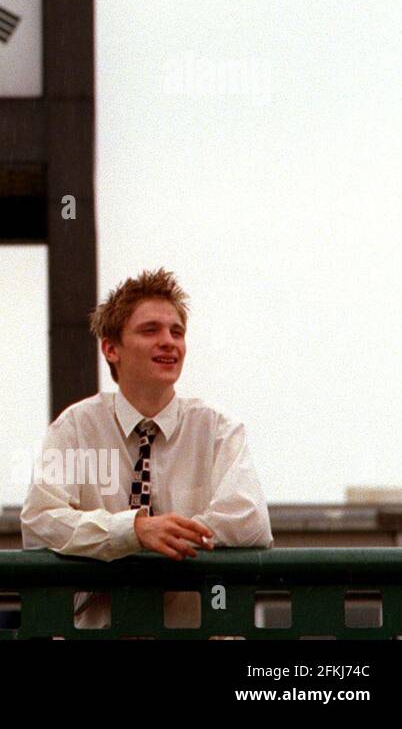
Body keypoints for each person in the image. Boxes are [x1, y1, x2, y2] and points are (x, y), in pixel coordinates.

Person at [19, 267, 272, 629]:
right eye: (150, 330)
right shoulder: (75, 427)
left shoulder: (218, 428)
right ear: (110, 348)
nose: (169, 341)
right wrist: (132, 531)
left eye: (177, 332)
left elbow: (249, 521)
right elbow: (40, 521)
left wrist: (162, 538)